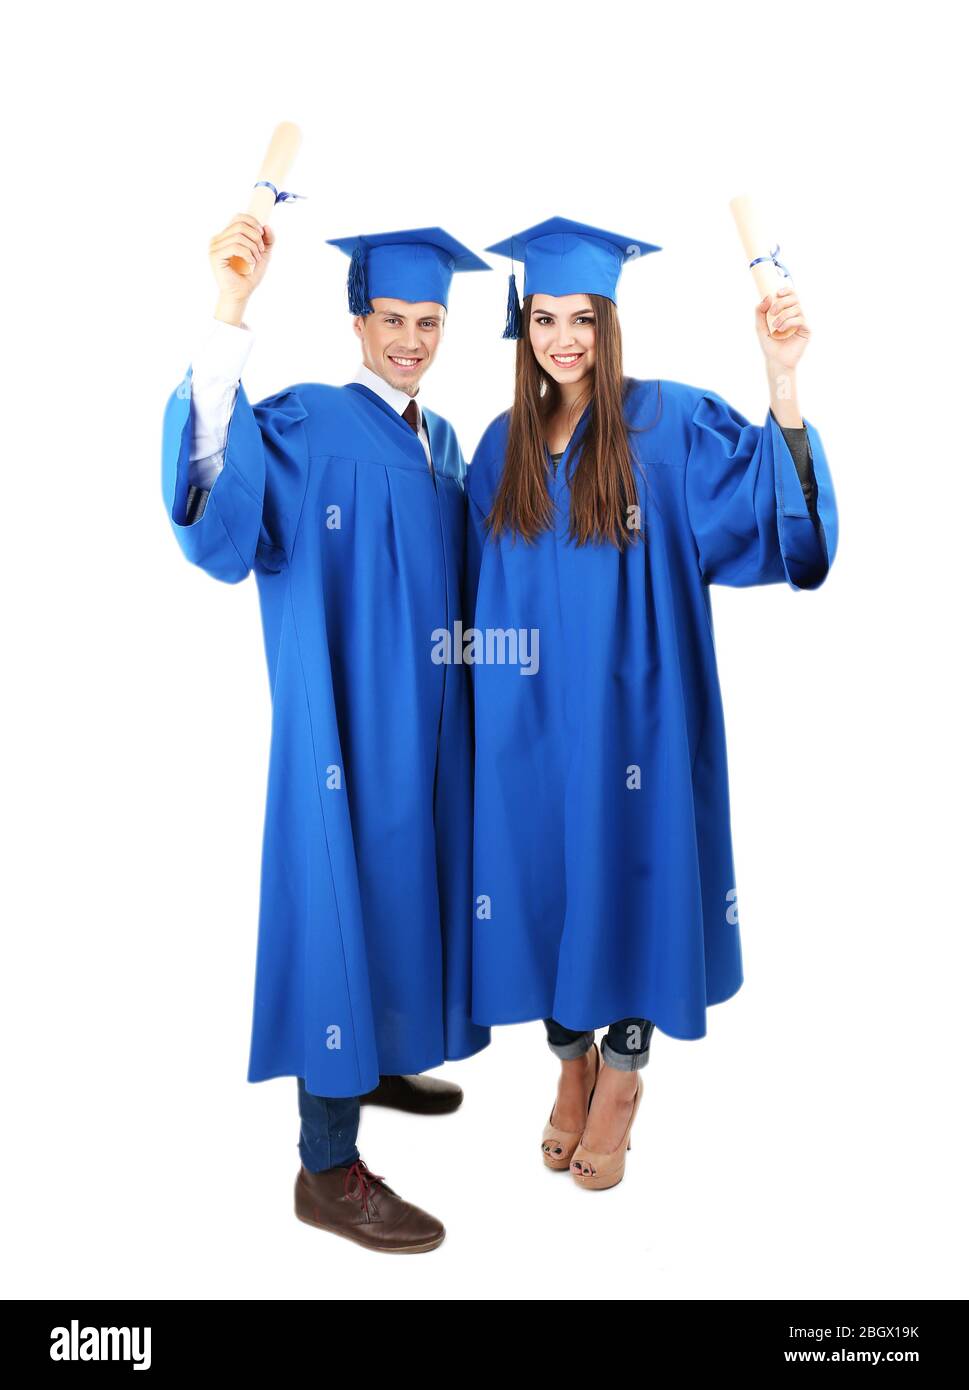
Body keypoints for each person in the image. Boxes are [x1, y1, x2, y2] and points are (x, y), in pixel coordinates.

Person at [464, 216, 838, 1191]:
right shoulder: (499, 445)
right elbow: (450, 580)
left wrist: (783, 380)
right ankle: (569, 1064)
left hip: (637, 719)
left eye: (583, 317)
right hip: (525, 726)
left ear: (610, 320)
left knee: (630, 881)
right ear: (523, 325)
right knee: (544, 883)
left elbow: (773, 519)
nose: (564, 338)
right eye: (545, 317)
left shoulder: (666, 425)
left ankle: (622, 1082)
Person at [161, 213, 492, 1251]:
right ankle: (325, 1163)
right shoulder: (307, 424)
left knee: (405, 884)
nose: (410, 337)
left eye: (427, 319)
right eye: (391, 317)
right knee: (342, 901)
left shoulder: (442, 443)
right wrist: (229, 312)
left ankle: (383, 1052)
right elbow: (221, 512)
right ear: (358, 320)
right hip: (345, 725)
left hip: (433, 726)